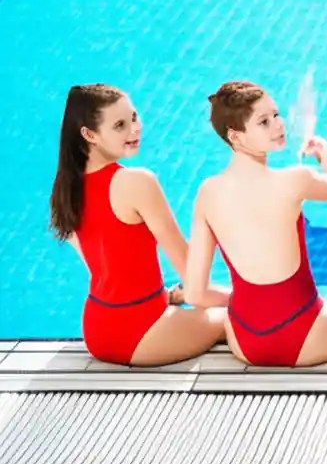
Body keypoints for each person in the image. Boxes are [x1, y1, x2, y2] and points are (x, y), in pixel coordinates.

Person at [186, 81, 327, 367]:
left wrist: (254, 304)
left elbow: (195, 294)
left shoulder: (207, 193)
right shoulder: (295, 179)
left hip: (246, 342)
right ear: (235, 136)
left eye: (276, 115)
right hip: (306, 336)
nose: (278, 125)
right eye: (264, 121)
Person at [49, 84, 227, 366]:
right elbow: (196, 286)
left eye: (133, 118)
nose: (135, 129)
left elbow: (111, 275)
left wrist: (166, 298)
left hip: (97, 331)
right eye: (120, 125)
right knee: (239, 319)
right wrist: (244, 298)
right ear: (90, 134)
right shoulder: (137, 182)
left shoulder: (65, 191)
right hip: (140, 332)